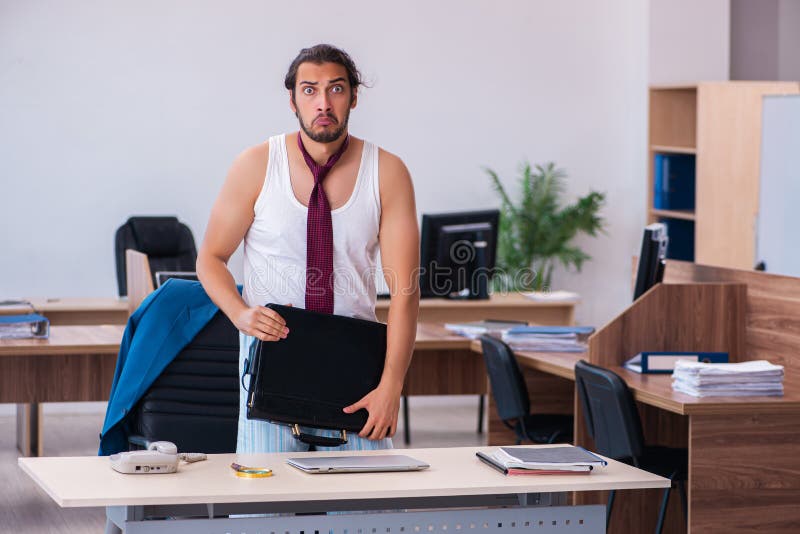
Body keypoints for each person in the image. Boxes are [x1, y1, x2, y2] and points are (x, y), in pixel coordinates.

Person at [196, 44, 419, 453]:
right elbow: (210, 259)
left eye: (335, 89)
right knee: (264, 511)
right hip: (274, 354)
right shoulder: (256, 164)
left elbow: (405, 293)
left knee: (369, 513)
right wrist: (240, 312)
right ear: (293, 99)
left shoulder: (387, 172)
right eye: (310, 90)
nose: (323, 102)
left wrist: (392, 386)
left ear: (354, 96)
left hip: (355, 362)